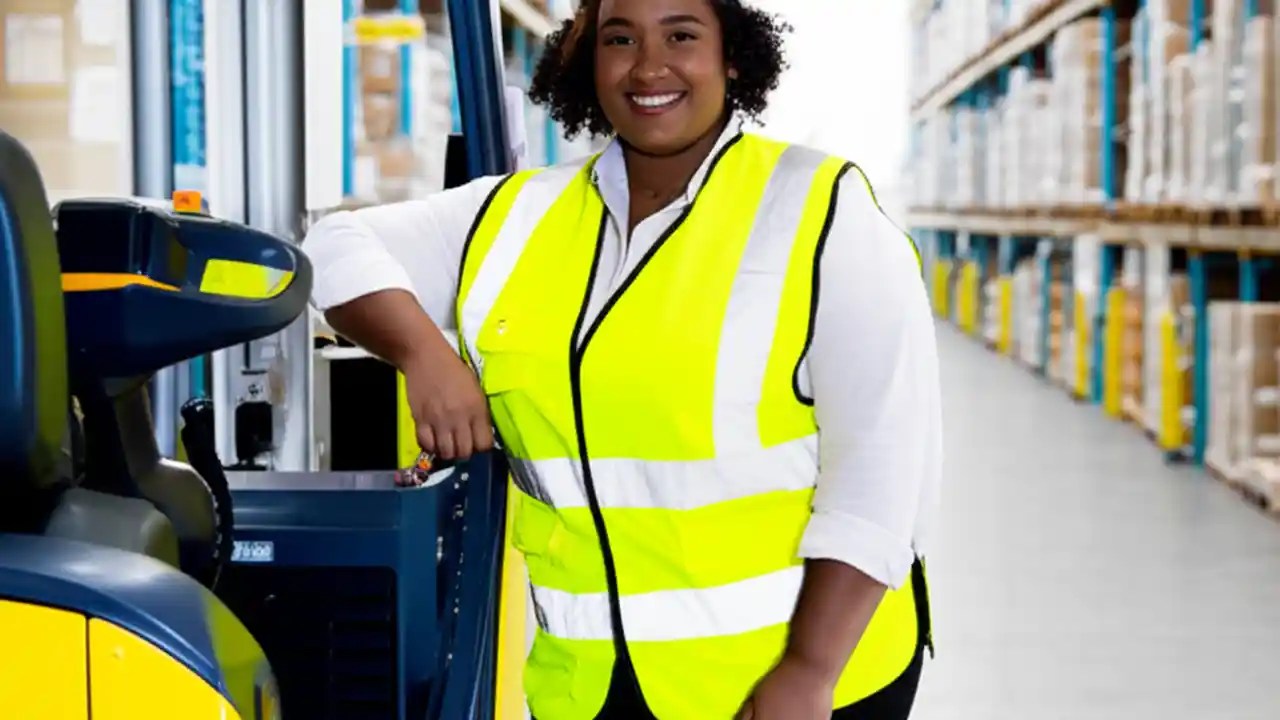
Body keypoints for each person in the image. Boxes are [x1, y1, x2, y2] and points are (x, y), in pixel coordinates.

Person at [302, 0, 942, 717]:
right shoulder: (517, 214)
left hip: (787, 677)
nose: (649, 66)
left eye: (681, 35)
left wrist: (809, 668)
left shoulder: (822, 211)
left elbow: (885, 475)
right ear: (588, 59)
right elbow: (331, 249)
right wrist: (425, 353)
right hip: (591, 681)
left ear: (731, 55)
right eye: (619, 38)